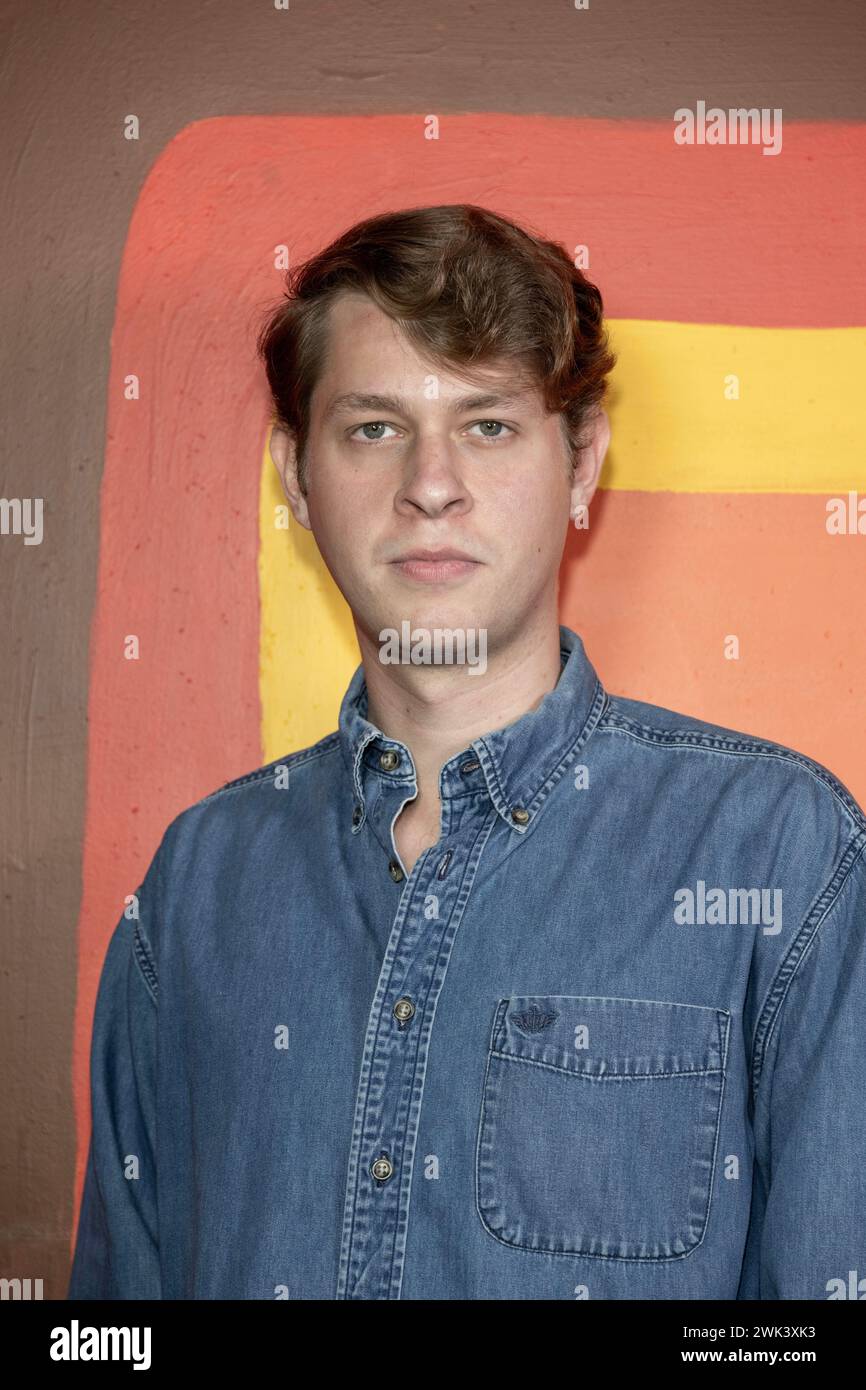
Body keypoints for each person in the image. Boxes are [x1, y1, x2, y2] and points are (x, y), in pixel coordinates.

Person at [68, 204, 866, 1300]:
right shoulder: (196, 884)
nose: (430, 484)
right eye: (372, 427)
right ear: (295, 476)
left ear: (581, 461)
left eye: (486, 424)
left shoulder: (779, 856)